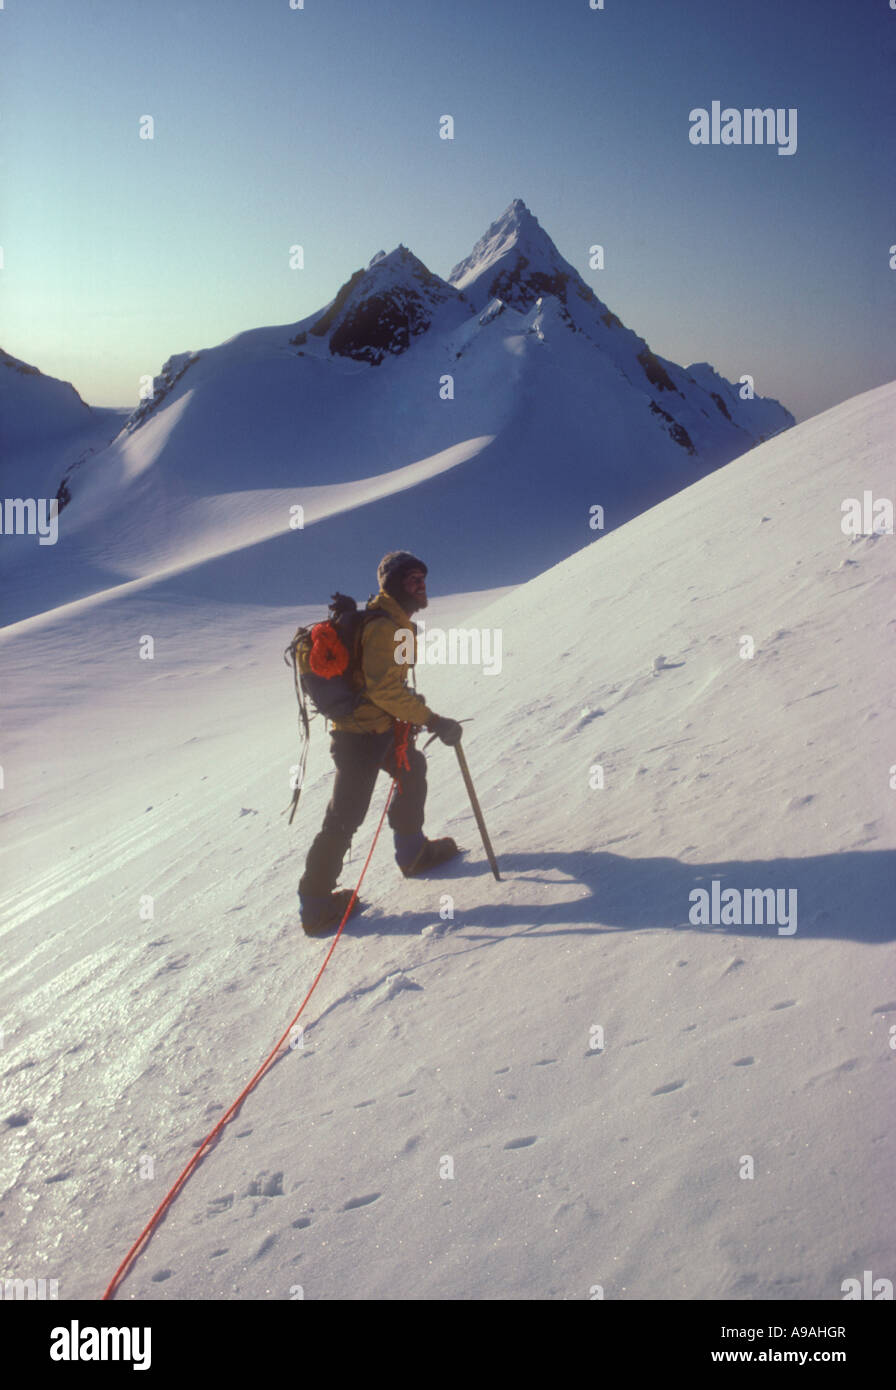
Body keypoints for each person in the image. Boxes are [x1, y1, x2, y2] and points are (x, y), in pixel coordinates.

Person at [298, 550, 463, 934]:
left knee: (412, 769)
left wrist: (412, 708)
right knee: (345, 817)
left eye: (423, 578)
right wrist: (434, 720)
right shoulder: (389, 627)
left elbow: (390, 686)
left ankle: (413, 852)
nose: (421, 585)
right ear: (394, 585)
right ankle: (316, 905)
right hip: (361, 737)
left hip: (377, 730)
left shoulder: (393, 621)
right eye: (412, 579)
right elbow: (385, 691)